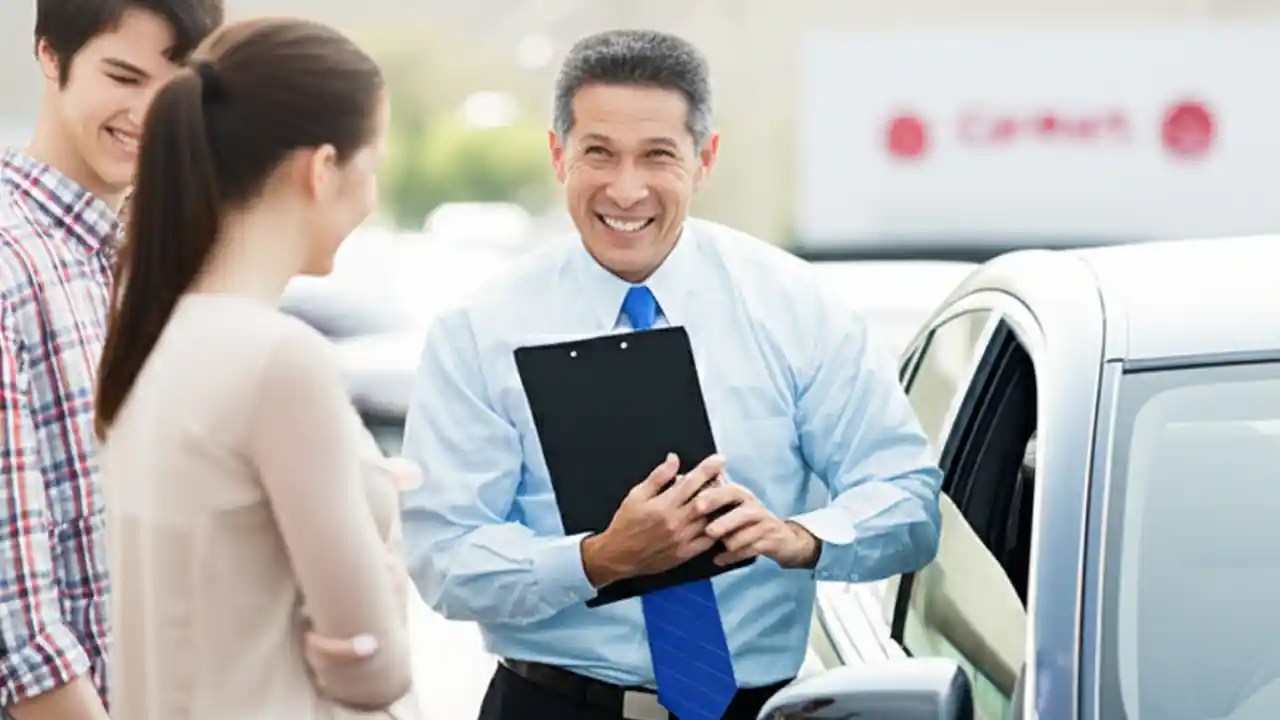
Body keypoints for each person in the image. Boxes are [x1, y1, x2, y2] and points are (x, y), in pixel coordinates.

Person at [400, 28, 944, 720]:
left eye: (658, 156)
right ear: (558, 153)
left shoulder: (797, 307)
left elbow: (908, 501)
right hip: (553, 705)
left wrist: (800, 537)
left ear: (704, 158)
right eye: (599, 153)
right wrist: (599, 558)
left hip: (759, 708)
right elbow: (445, 557)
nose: (626, 190)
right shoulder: (479, 331)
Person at [92, 17, 419, 719]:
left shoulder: (149, 337)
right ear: (323, 168)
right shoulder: (279, 360)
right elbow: (375, 670)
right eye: (374, 163)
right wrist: (386, 578)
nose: (372, 191)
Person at [0, 1, 222, 718]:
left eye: (175, 89)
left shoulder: (150, 262)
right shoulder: (9, 262)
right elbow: (19, 627)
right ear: (49, 57)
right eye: (123, 76)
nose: (149, 115)